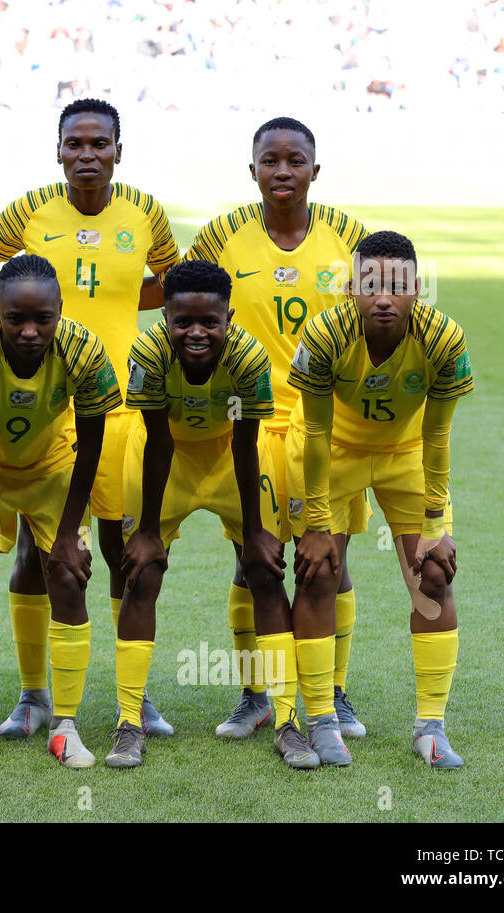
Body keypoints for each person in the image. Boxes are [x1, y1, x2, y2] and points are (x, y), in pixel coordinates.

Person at [0, 97, 180, 739]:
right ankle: (33, 695)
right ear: (57, 150)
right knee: (37, 547)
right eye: (74, 144)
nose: (87, 155)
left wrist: (121, 301)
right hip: (47, 404)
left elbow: (172, 282)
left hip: (116, 411)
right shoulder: (31, 211)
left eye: (99, 144)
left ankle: (130, 699)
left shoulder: (144, 214)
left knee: (120, 549)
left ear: (119, 150)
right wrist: (18, 309)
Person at [184, 116, 372, 741]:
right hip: (253, 426)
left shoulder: (350, 238)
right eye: (271, 161)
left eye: (296, 161)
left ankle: (333, 694)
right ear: (253, 169)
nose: (283, 171)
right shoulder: (220, 237)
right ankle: (256, 693)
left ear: (316, 170)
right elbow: (188, 312)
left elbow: (381, 322)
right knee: (253, 562)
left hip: (328, 428)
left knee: (330, 563)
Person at [113, 260, 317, 769]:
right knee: (141, 575)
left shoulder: (248, 357)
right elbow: (158, 443)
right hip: (167, 460)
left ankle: (287, 720)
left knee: (266, 572)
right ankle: (128, 721)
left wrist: (253, 532)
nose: (196, 333)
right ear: (164, 315)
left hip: (231, 458)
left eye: (210, 322)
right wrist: (146, 534)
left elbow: (248, 445)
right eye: (183, 322)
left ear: (229, 315)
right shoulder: (149, 352)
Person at [290, 230, 472, 769]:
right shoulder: (324, 335)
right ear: (351, 288)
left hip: (405, 453)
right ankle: (322, 719)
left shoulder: (443, 339)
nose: (385, 298)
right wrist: (319, 524)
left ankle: (431, 727)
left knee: (435, 573)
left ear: (417, 288)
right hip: (335, 451)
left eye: (397, 285)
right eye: (372, 286)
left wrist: (436, 522)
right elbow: (316, 436)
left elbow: (437, 437)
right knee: (318, 571)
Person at [0, 255, 120, 770]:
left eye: (42, 318)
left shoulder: (83, 349)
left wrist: (67, 534)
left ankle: (65, 725)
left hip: (51, 469)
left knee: (68, 574)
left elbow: (90, 447)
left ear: (60, 310)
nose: (28, 330)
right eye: (14, 318)